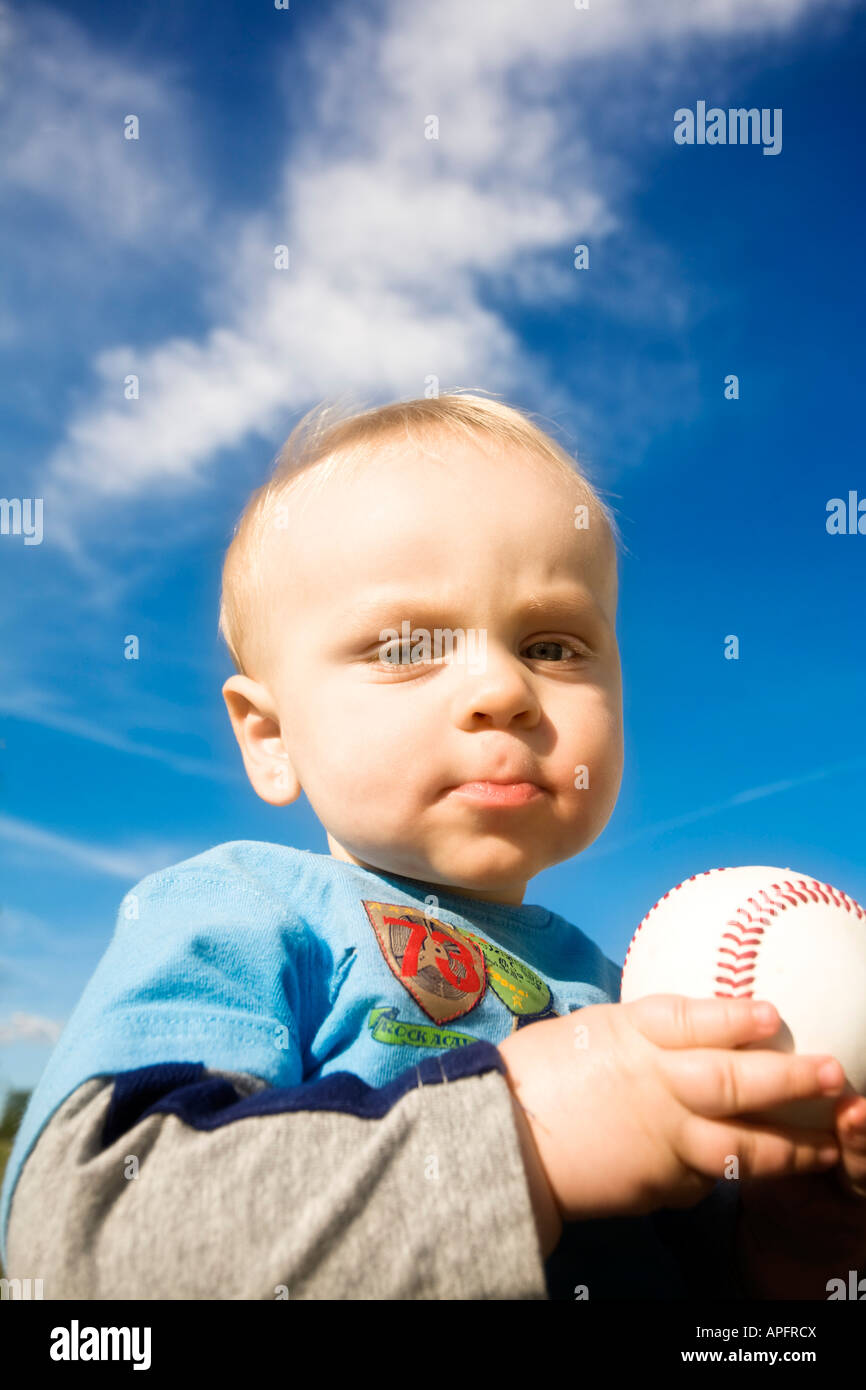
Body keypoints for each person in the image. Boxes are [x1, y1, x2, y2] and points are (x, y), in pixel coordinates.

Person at [3, 391, 866, 1299]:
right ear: (270, 736)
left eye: (555, 645)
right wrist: (528, 1137)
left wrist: (793, 1253)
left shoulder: (633, 990)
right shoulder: (244, 915)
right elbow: (89, 1243)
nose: (503, 688)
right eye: (408, 645)